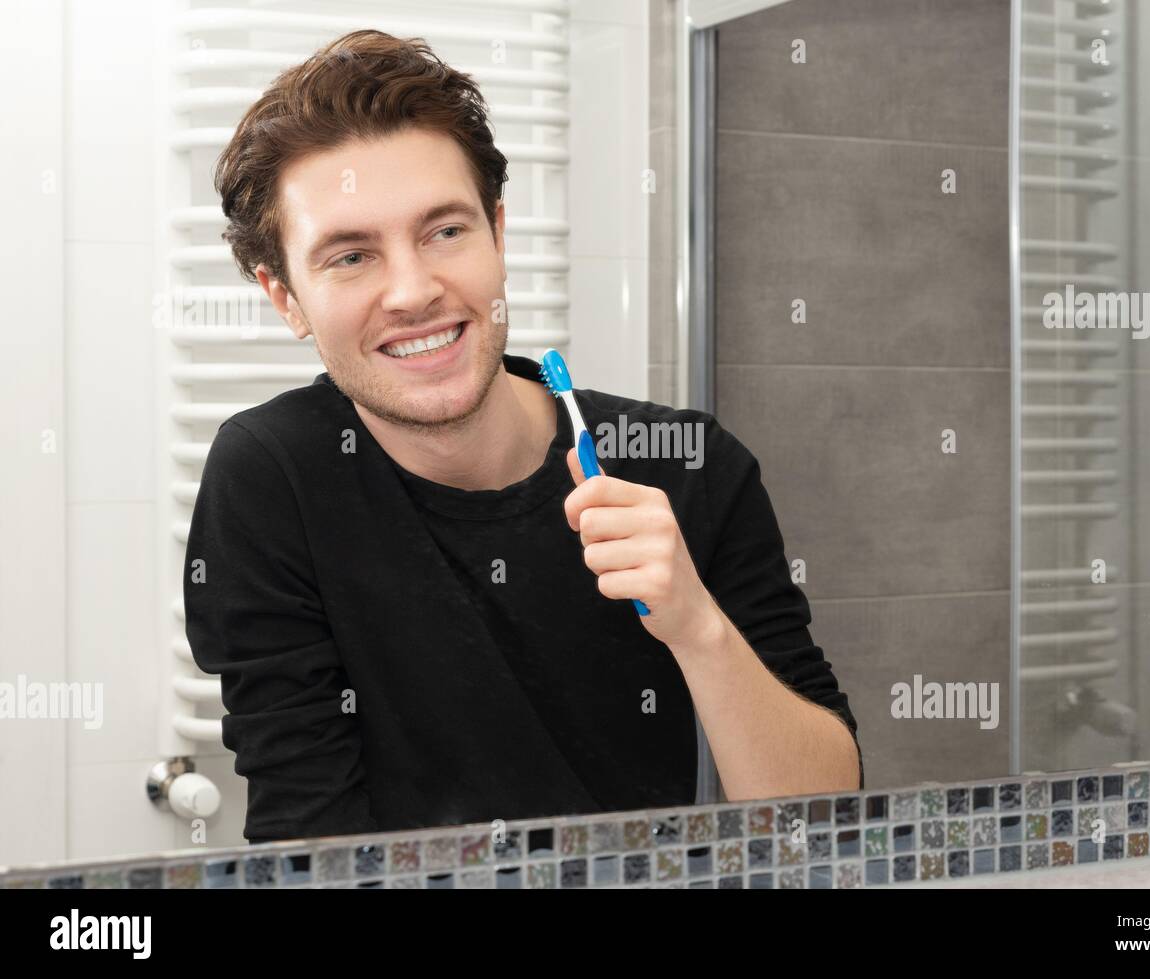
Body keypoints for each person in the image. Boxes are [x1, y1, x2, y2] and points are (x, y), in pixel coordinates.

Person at [183, 29, 862, 844]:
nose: (413, 290)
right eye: (351, 255)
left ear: (498, 233)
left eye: (445, 231)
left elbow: (823, 822)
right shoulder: (272, 478)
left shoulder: (688, 468)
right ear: (285, 297)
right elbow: (308, 842)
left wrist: (697, 625)